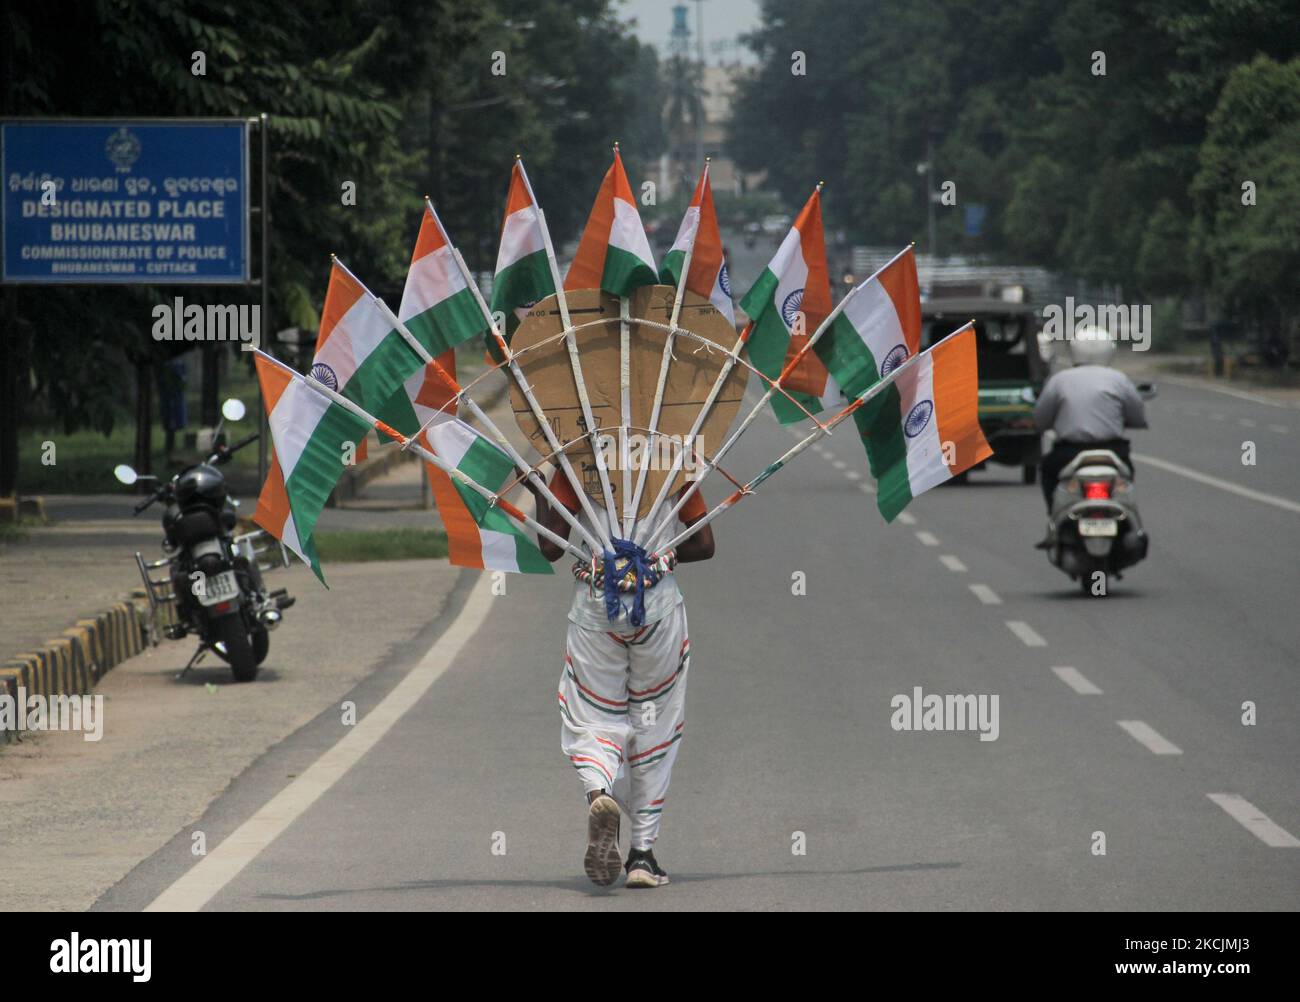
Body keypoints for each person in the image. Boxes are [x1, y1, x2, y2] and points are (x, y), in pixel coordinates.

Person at [526, 465, 715, 889]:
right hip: (659, 608)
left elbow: (551, 547)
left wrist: (540, 490)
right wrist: (652, 558)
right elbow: (704, 544)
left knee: (591, 714)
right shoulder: (672, 451)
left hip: (596, 609)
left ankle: (600, 793)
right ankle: (643, 857)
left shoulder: (579, 455)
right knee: (656, 726)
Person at [1033, 326, 1148, 539]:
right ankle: (1128, 522)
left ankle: (1054, 519)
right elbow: (1137, 415)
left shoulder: (1060, 380)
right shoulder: (1118, 379)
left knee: (1048, 471)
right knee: (1127, 476)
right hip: (1112, 451)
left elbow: (1040, 418)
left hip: (1069, 452)